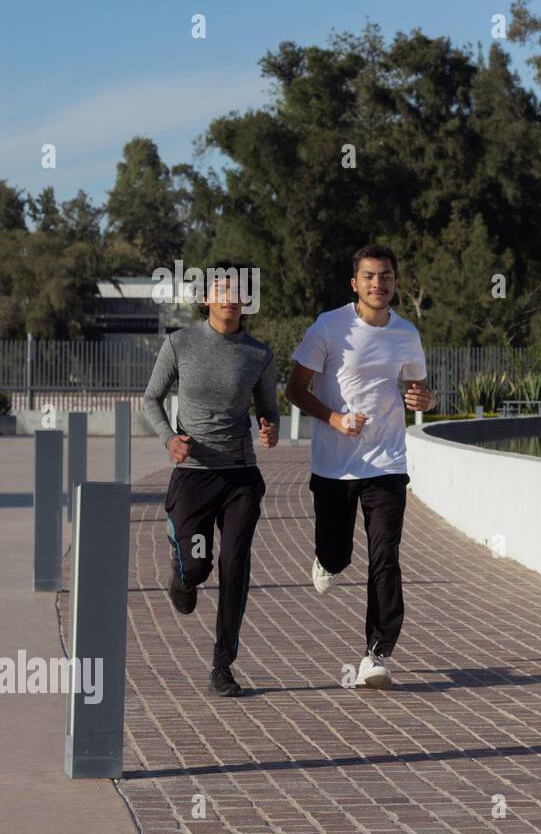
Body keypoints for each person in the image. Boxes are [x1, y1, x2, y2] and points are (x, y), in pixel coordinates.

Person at [285, 244, 434, 689]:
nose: (378, 283)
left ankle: (377, 654)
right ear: (355, 283)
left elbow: (419, 388)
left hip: (386, 461)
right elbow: (294, 389)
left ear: (395, 282)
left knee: (385, 556)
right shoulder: (329, 327)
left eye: (385, 276)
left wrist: (426, 399)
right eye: (369, 276)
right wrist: (333, 418)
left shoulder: (406, 333)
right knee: (337, 552)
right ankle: (327, 561)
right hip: (334, 466)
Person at [143, 261, 279, 698]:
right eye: (222, 289)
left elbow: (268, 407)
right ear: (206, 298)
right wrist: (170, 440)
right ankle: (182, 575)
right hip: (194, 474)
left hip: (239, 476)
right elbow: (151, 399)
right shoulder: (180, 343)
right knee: (198, 567)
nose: (231, 297)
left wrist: (269, 426)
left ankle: (223, 666)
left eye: (239, 291)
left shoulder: (258, 354)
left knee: (234, 565)